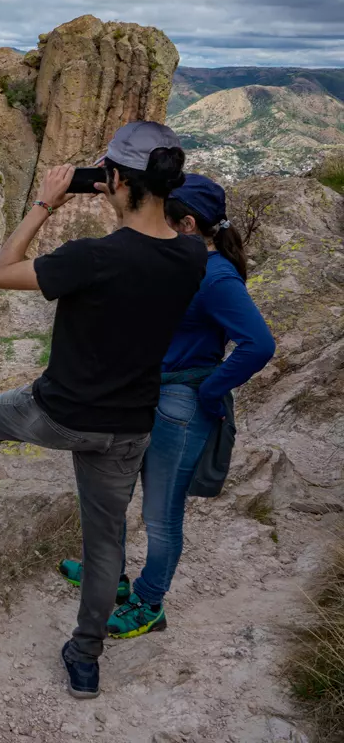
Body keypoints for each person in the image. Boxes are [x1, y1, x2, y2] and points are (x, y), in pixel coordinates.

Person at [0, 121, 207, 700]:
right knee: (105, 542)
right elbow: (162, 230)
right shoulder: (191, 254)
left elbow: (1, 271)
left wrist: (45, 202)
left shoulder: (92, 257)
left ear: (114, 180)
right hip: (130, 425)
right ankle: (86, 657)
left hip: (63, 412)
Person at [57, 174, 276, 638]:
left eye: (164, 217)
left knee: (160, 512)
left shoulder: (214, 275)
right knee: (114, 493)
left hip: (181, 399)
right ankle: (110, 579)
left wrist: (210, 391)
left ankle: (150, 603)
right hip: (147, 390)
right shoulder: (181, 260)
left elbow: (258, 344)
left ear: (189, 224)